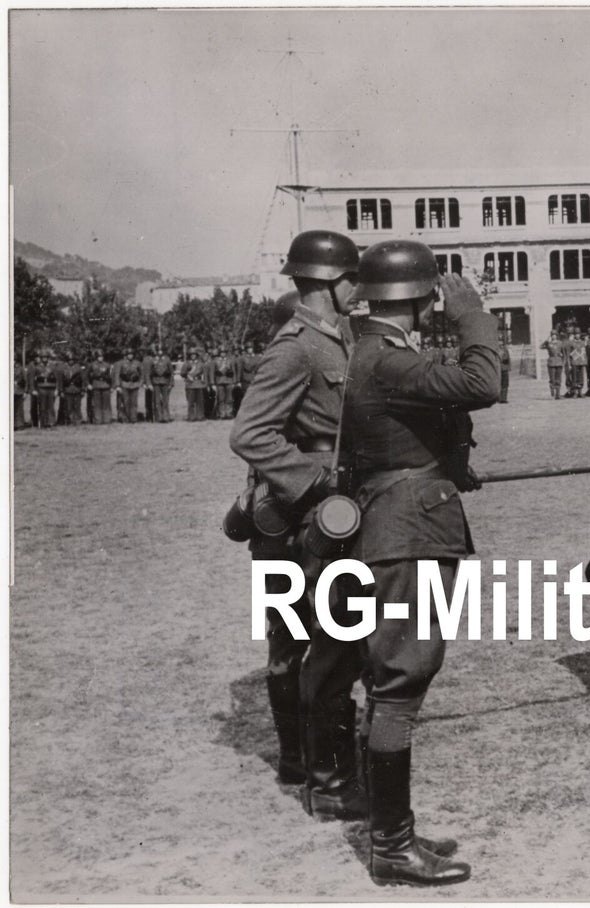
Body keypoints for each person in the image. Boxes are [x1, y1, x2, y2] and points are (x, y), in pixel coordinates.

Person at [341, 240, 497, 887]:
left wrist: (447, 460)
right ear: (421, 296)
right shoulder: (386, 359)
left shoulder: (379, 354)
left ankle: (393, 832)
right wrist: (473, 315)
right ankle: (391, 846)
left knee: (397, 685)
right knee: (402, 684)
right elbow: (483, 381)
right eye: (436, 292)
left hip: (405, 523)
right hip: (408, 534)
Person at [230, 229, 367, 822]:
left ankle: (313, 758)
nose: (359, 288)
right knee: (297, 641)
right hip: (292, 518)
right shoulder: (296, 347)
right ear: (328, 284)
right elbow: (249, 434)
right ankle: (306, 764)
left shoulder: (342, 338)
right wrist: (315, 483)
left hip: (323, 513)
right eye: (352, 279)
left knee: (336, 636)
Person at [31, 355, 60, 428]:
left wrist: (57, 389)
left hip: (51, 388)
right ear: (41, 359)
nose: (44, 359)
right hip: (41, 388)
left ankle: (51, 422)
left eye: (46, 357)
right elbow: (33, 380)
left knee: (51, 406)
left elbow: (57, 379)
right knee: (42, 406)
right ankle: (43, 423)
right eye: (43, 358)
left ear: (48, 358)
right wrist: (33, 390)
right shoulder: (37, 367)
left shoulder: (52, 367)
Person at [150, 347, 175, 422]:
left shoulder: (167, 360)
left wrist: (171, 383)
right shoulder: (153, 360)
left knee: (165, 400)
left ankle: (166, 416)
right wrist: (150, 383)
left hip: (165, 381)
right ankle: (159, 417)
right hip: (156, 382)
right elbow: (150, 373)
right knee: (157, 400)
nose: (160, 352)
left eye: (161, 351)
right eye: (158, 351)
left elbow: (171, 372)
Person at [183, 352, 209, 421]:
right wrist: (188, 376)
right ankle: (191, 416)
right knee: (191, 401)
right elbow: (182, 373)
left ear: (196, 356)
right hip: (190, 384)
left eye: (194, 355)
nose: (193, 356)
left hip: (199, 384)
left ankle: (200, 416)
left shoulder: (201, 364)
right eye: (191, 355)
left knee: (200, 401)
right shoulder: (187, 363)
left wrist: (205, 384)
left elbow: (204, 374)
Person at [543, 331, 564, 400]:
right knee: (552, 379)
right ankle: (552, 392)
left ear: (557, 336)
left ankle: (558, 394)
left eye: (555, 335)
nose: (554, 336)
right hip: (551, 362)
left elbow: (563, 352)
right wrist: (546, 340)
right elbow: (541, 346)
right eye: (552, 335)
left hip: (559, 361)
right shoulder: (549, 343)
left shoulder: (560, 343)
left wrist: (562, 358)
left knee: (558, 379)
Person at [14, 356, 29, 430]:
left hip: (19, 390)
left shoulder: (21, 369)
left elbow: (25, 381)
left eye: (14, 360)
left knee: (19, 408)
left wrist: (25, 391)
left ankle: (19, 424)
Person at [498, 334, 511, 403]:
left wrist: (509, 367)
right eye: (499, 341)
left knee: (505, 384)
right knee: (499, 384)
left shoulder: (505, 350)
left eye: (501, 341)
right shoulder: (496, 350)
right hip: (498, 369)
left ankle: (504, 398)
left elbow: (508, 359)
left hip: (505, 369)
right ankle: (499, 398)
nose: (500, 343)